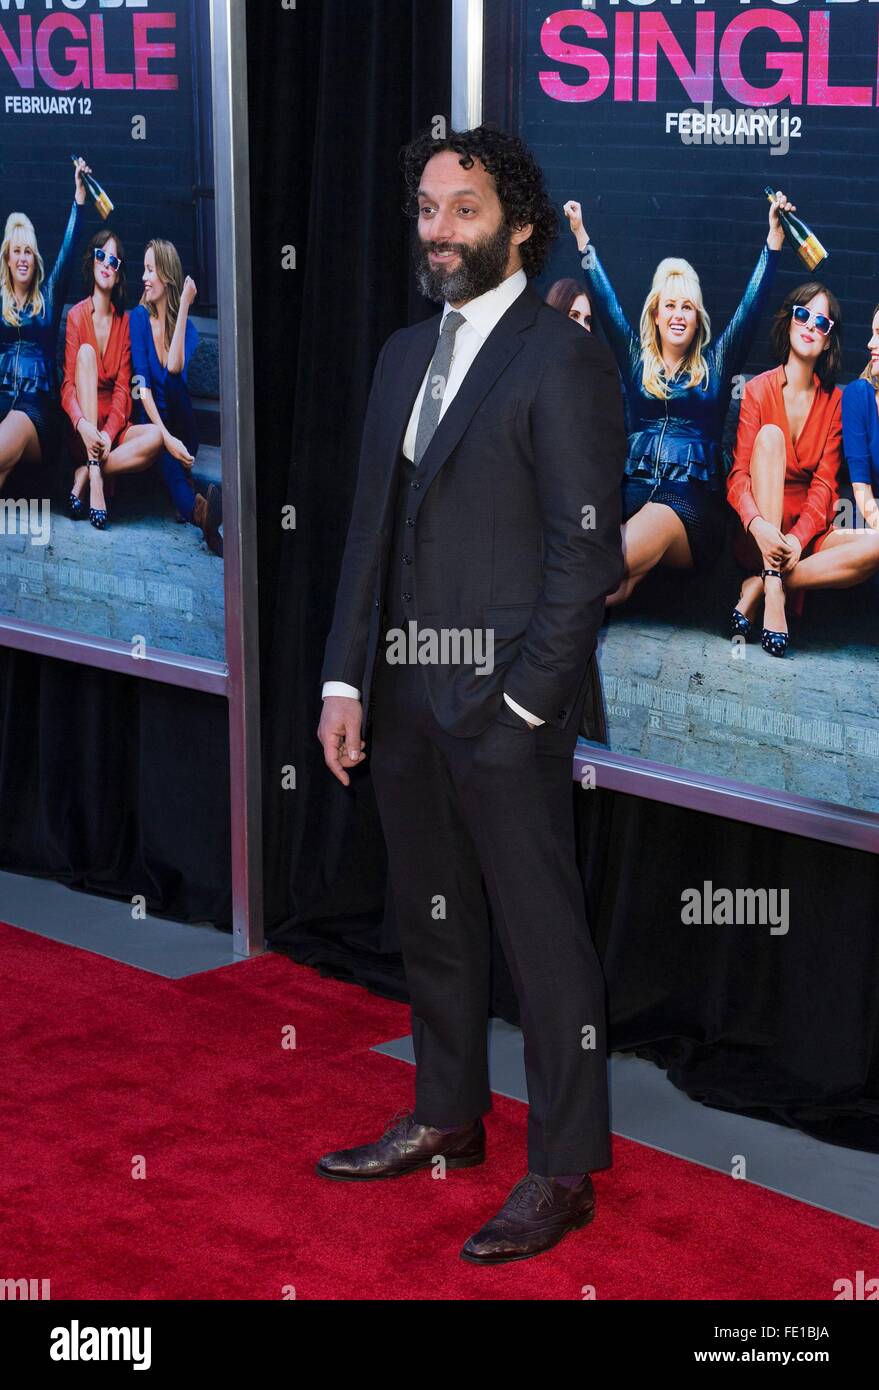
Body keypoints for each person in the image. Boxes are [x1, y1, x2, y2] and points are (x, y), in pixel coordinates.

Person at [316, 125, 627, 1266]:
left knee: (545, 947)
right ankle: (447, 1111)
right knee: (434, 921)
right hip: (401, 701)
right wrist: (347, 677)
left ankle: (563, 1170)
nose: (440, 231)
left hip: (507, 711)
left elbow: (582, 557)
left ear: (521, 226)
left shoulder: (563, 358)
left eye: (465, 210)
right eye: (429, 209)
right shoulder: (405, 353)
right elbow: (370, 530)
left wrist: (531, 709)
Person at [562, 192, 791, 601]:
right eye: (670, 305)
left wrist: (773, 244)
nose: (678, 314)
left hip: (690, 513)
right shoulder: (637, 362)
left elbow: (750, 309)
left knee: (629, 542)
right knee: (615, 587)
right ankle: (568, 641)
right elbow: (608, 304)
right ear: (656, 313)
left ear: (697, 317)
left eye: (688, 306)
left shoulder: (715, 367)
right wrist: (582, 237)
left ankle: (554, 604)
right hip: (633, 497)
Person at [728, 285, 879, 651]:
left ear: (828, 340)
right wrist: (759, 526)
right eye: (803, 315)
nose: (811, 325)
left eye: (822, 322)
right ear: (790, 322)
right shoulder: (756, 390)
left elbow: (825, 486)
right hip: (761, 531)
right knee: (770, 436)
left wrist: (797, 538)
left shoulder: (835, 402)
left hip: (806, 537)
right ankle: (773, 586)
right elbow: (737, 478)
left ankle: (764, 584)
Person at [61, 229, 163, 529]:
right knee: (87, 354)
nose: (106, 264)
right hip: (82, 429)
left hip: (111, 435)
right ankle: (94, 472)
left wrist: (107, 435)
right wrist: (83, 425)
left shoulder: (125, 323)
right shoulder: (77, 316)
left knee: (155, 438)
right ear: (92, 264)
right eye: (100, 256)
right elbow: (67, 386)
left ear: (118, 275)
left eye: (114, 261)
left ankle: (89, 472)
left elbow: (122, 391)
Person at [0, 159, 89, 495]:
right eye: (16, 251)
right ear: (7, 258)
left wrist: (79, 199)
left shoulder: (47, 297)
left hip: (35, 412)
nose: (23, 258)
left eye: (29, 252)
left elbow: (68, 251)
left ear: (35, 259)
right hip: (2, 399)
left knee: (15, 426)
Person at [128, 239, 222, 555]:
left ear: (167, 276)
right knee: (171, 464)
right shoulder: (137, 319)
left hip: (184, 429)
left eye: (150, 269)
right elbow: (140, 388)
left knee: (171, 379)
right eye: (144, 269)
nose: (144, 277)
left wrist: (182, 307)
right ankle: (202, 514)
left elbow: (173, 371)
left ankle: (197, 510)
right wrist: (165, 438)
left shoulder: (190, 330)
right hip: (155, 428)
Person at [841, 301, 879, 532]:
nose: (870, 343)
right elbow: (861, 487)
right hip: (867, 520)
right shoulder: (859, 395)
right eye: (873, 333)